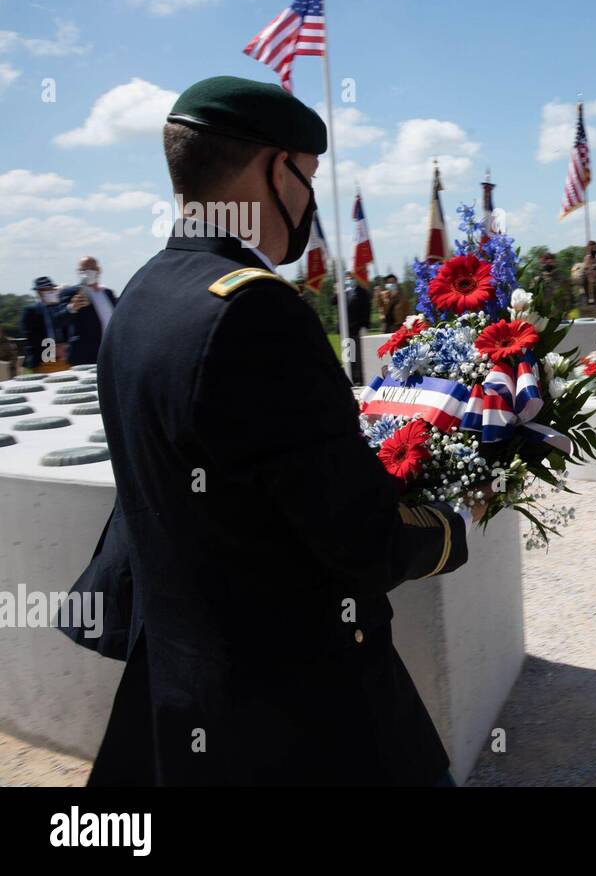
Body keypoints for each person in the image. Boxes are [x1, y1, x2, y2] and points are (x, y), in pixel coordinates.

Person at [58, 75, 479, 786]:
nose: (310, 203)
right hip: (306, 717)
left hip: (186, 699)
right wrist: (454, 522)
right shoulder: (255, 313)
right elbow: (361, 543)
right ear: (270, 167)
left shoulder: (142, 298)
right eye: (307, 176)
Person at [57, 256, 116, 365]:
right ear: (78, 272)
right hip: (85, 354)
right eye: (83, 270)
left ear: (99, 270)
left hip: (111, 349)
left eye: (91, 269)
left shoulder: (107, 293)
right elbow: (58, 319)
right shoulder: (71, 292)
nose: (87, 272)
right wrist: (71, 308)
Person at [20, 276, 69, 371]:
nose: (49, 291)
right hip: (43, 360)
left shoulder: (61, 308)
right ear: (38, 292)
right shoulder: (31, 311)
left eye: (51, 289)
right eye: (45, 289)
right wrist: (52, 350)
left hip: (64, 359)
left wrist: (65, 347)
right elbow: (30, 337)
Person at [344, 271, 372, 386]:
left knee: (358, 356)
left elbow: (366, 309)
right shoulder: (343, 293)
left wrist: (365, 325)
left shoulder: (362, 292)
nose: (348, 280)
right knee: (347, 356)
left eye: (350, 277)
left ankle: (359, 378)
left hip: (357, 328)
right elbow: (333, 301)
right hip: (346, 330)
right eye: (347, 278)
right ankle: (349, 377)